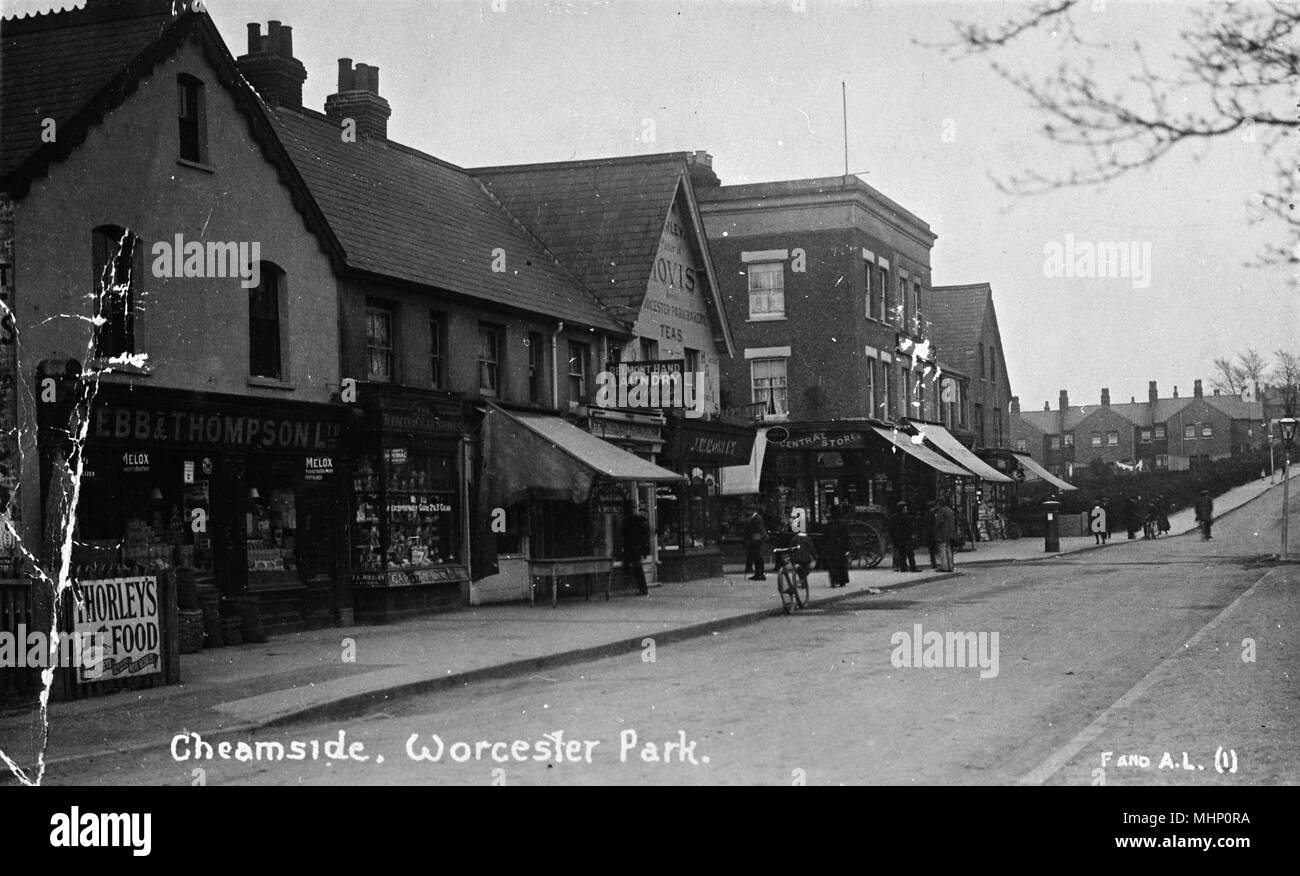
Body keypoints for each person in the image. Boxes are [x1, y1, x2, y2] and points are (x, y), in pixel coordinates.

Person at [621, 504, 650, 595]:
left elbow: (625, 536)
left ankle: (643, 589)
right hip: (636, 549)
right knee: (638, 569)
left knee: (637, 569)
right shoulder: (637, 521)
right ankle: (643, 589)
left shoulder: (630, 521)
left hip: (634, 549)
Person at [823, 504, 851, 588]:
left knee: (832, 564)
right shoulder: (843, 523)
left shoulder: (829, 524)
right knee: (841, 564)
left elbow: (825, 536)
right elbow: (846, 536)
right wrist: (847, 547)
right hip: (840, 546)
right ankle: (842, 580)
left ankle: (835, 579)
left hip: (831, 546)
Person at [889, 501, 918, 572]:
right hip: (906, 538)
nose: (906, 510)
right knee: (910, 554)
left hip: (898, 538)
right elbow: (910, 528)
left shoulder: (894, 517)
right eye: (905, 509)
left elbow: (890, 528)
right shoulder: (906, 517)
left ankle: (903, 568)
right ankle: (912, 567)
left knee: (902, 554)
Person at [933, 496, 956, 572]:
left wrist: (934, 530)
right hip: (950, 533)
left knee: (942, 550)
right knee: (948, 550)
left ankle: (944, 566)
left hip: (942, 533)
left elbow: (939, 522)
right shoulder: (950, 511)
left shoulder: (941, 511)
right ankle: (950, 566)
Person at [743, 509, 768, 580]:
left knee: (758, 556)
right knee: (755, 556)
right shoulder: (753, 518)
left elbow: (759, 529)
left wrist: (758, 539)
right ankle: (757, 573)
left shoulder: (757, 518)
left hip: (757, 539)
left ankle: (760, 573)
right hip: (754, 539)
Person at [920, 500, 939, 569]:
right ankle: (935, 563)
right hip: (934, 533)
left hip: (929, 534)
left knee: (931, 550)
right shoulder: (934, 514)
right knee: (935, 548)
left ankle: (933, 563)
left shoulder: (926, 514)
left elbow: (924, 524)